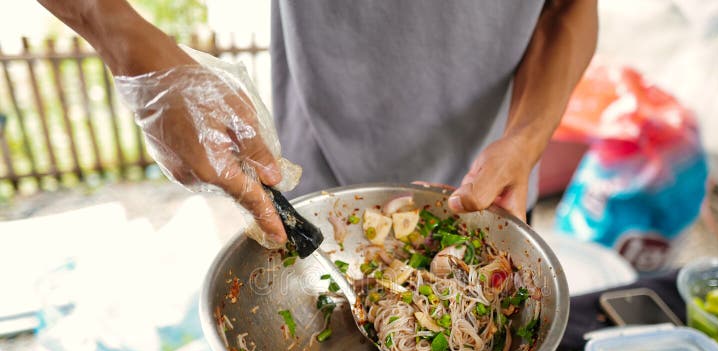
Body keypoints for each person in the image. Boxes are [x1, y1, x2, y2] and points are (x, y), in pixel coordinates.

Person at [39, 0, 598, 244]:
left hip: (490, 156)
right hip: (315, 153)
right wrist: (140, 58)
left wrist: (525, 141)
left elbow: (568, 6)